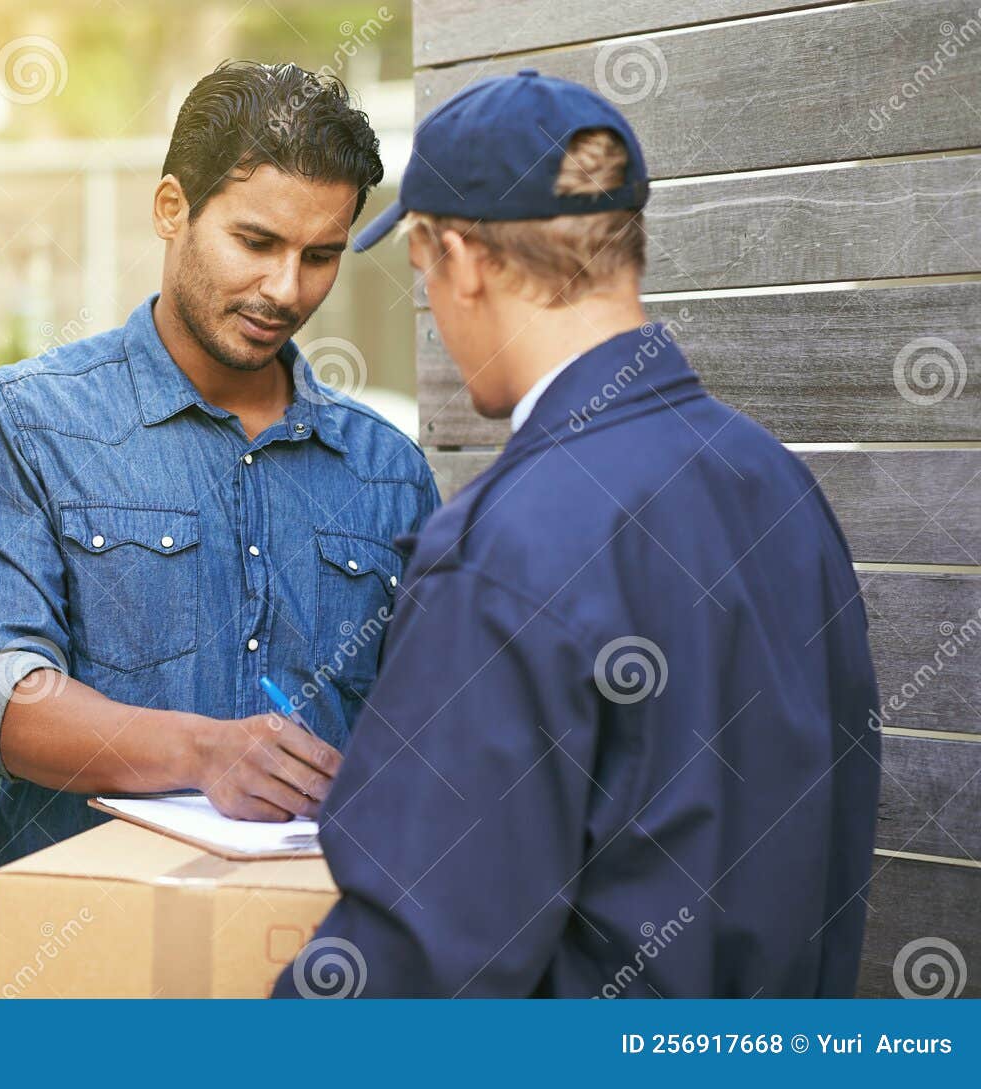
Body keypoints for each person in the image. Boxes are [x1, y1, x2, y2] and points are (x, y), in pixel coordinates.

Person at [273, 70, 880, 998]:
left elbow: (409, 968)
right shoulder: (781, 489)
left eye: (421, 270)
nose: (432, 305)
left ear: (462, 258)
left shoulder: (502, 547)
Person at [0, 61, 440, 997]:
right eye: (255, 240)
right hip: (73, 981)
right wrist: (204, 753)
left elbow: (431, 742)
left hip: (310, 980)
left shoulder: (388, 471)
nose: (285, 288)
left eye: (321, 254)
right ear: (172, 207)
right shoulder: (21, 422)